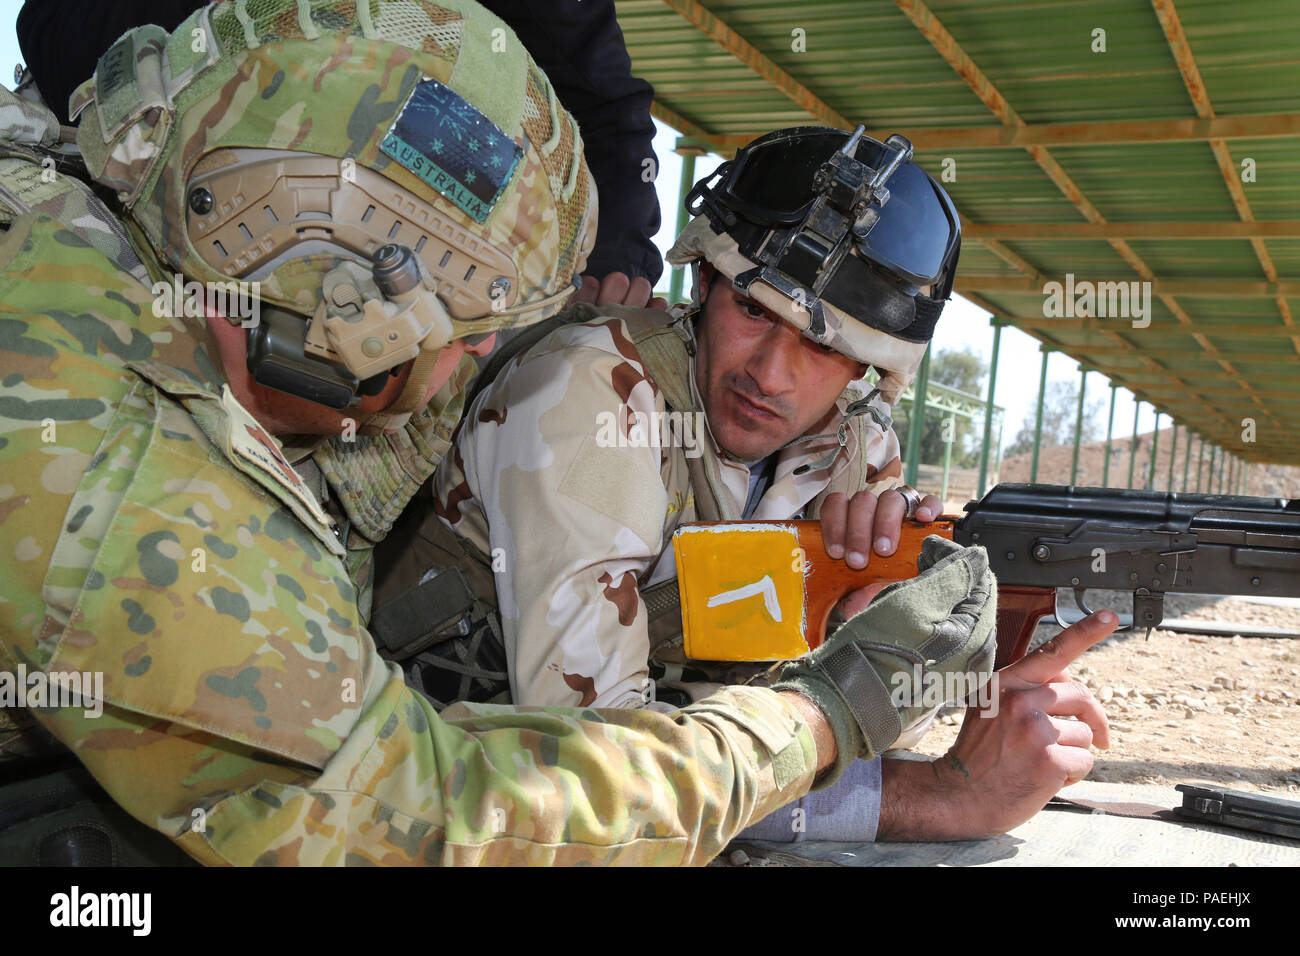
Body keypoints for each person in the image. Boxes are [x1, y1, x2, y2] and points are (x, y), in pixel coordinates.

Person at [0, 0, 1103, 867]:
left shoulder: (134, 291)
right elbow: (449, 820)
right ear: (335, 296)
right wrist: (856, 721)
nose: (477, 372)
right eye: (470, 327)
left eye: (824, 347)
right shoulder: (111, 450)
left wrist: (843, 611)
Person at [372, 125, 1113, 842]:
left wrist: (873, 627)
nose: (769, 373)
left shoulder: (856, 445)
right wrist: (942, 798)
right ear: (703, 280)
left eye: (823, 346)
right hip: (420, 796)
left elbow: (863, 734)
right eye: (753, 310)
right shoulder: (590, 398)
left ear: (868, 369)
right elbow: (604, 784)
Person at [14, 0, 665, 309]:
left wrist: (618, 259)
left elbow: (604, 107)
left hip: (388, 260)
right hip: (146, 206)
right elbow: (64, 40)